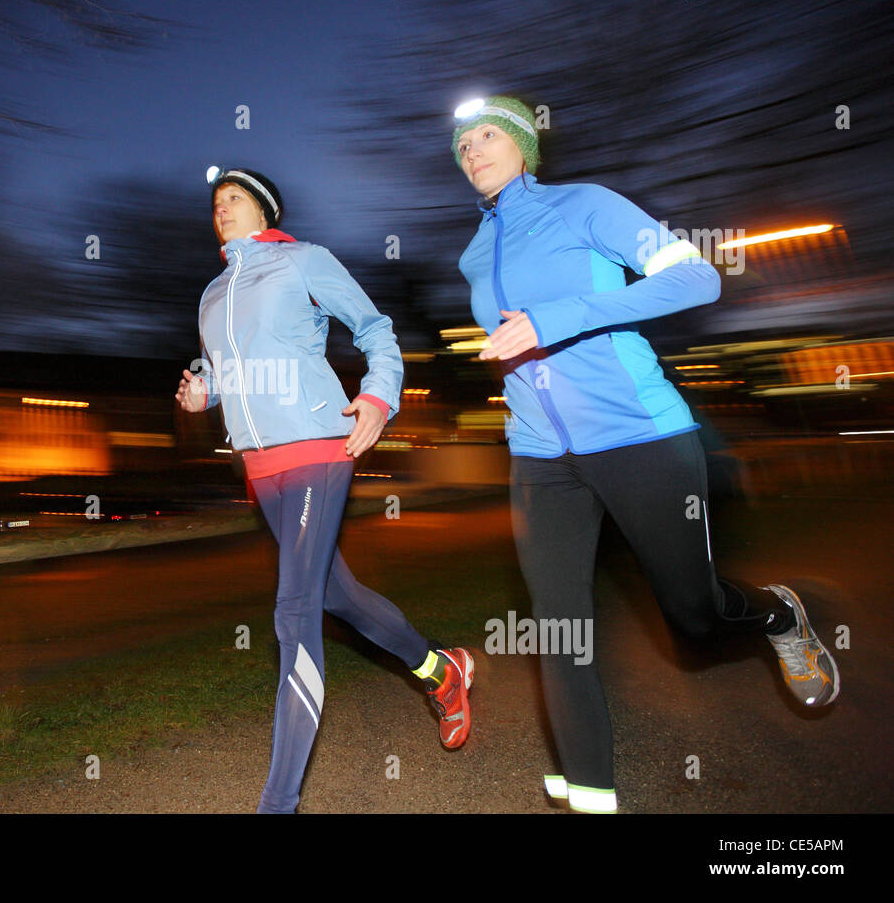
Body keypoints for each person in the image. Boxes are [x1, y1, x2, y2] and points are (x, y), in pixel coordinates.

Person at [449, 95, 840, 814]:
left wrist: (556, 320)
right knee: (557, 623)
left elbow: (698, 277)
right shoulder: (474, 251)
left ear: (523, 145)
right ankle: (591, 793)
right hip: (541, 458)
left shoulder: (585, 204)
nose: (473, 151)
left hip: (640, 436)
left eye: (487, 136)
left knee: (696, 618)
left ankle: (778, 616)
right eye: (463, 144)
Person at [176, 166, 474, 814]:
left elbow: (375, 330)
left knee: (293, 613)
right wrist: (206, 393)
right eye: (215, 203)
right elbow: (230, 372)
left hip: (318, 445)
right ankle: (442, 672)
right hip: (258, 465)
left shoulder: (305, 262)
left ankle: (278, 803)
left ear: (265, 211)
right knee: (337, 594)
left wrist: (377, 396)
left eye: (234, 199)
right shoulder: (212, 293)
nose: (221, 210)